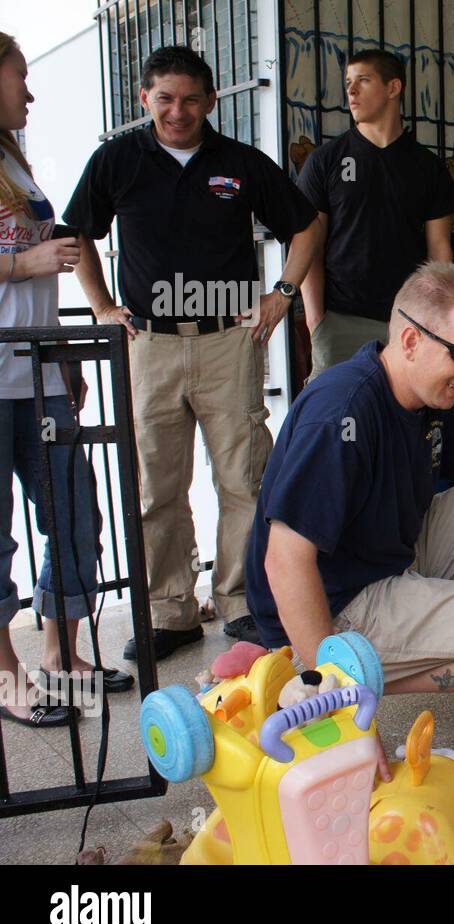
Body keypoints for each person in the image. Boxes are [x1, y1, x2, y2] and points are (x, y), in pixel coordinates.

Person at [65, 46, 323, 661]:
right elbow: (78, 233)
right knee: (155, 485)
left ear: (211, 100)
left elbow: (307, 224)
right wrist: (102, 307)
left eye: (189, 99)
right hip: (146, 342)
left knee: (243, 480)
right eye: (164, 98)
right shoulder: (117, 160)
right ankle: (170, 612)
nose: (177, 111)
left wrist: (282, 294)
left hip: (229, 339)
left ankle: (240, 604)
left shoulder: (239, 162)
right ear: (144, 99)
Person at [246, 261, 454, 708]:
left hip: (394, 555)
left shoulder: (433, 392)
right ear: (411, 340)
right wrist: (326, 671)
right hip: (337, 603)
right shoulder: (341, 413)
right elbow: (284, 561)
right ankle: (347, 679)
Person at [0, 32, 129, 728]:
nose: (31, 89)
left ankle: (63, 656)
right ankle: (7, 677)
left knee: (75, 516)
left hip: (38, 371)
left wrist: (65, 352)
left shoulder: (15, 165)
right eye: (20, 76)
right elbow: (28, 265)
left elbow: (43, 275)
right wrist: (24, 264)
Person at [298, 48, 454, 382]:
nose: (351, 91)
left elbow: (440, 250)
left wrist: (438, 318)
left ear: (393, 88)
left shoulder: (427, 167)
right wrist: (317, 321)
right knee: (338, 421)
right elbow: (308, 243)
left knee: (409, 421)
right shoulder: (325, 161)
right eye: (348, 83)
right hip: (340, 319)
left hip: (411, 320)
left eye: (363, 80)